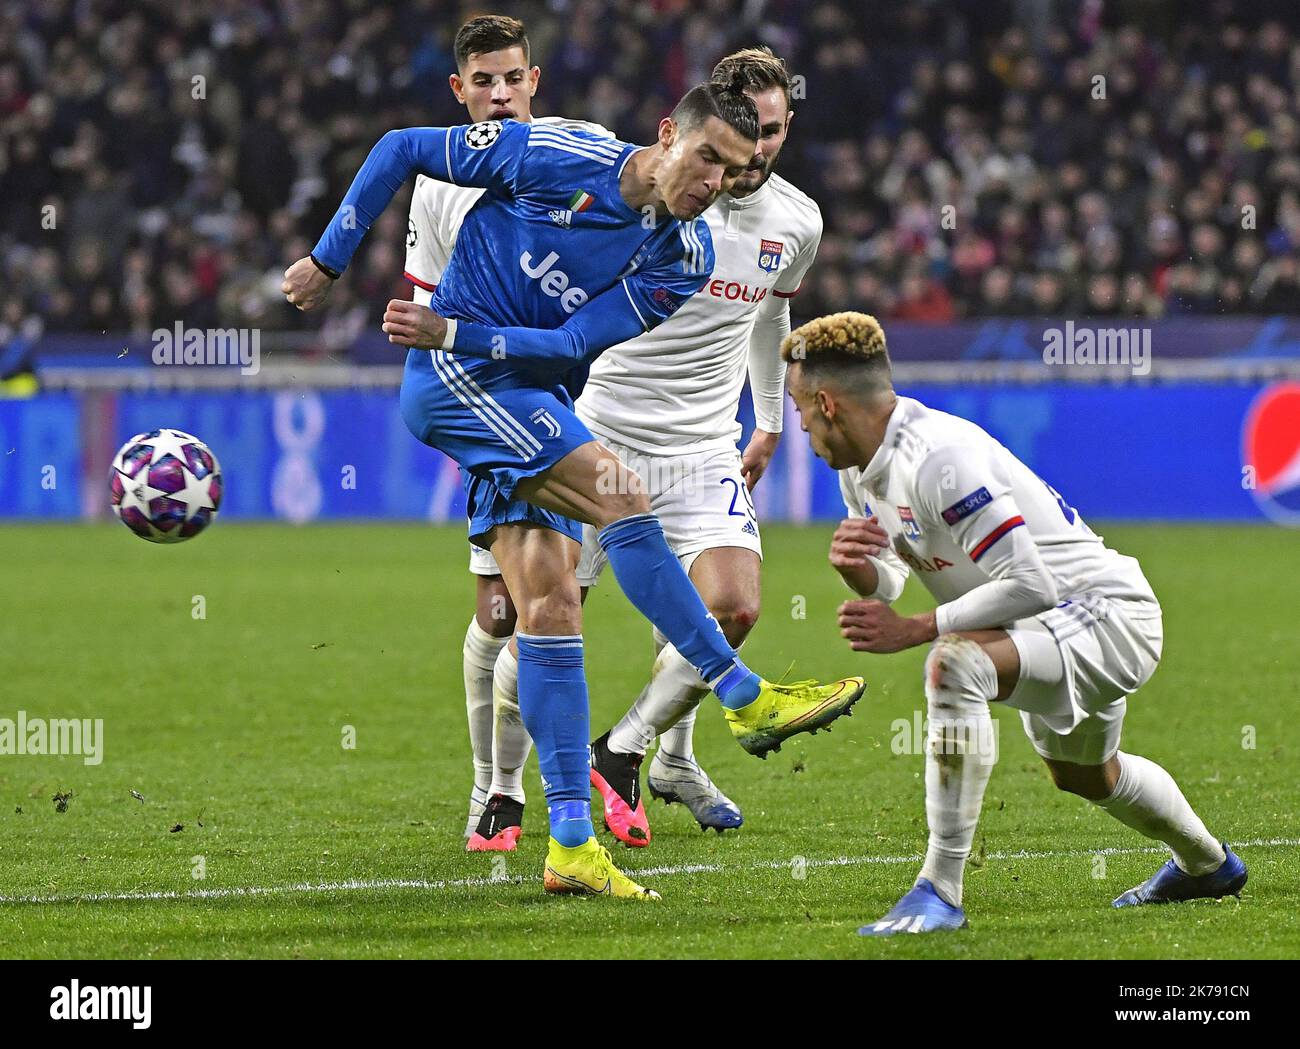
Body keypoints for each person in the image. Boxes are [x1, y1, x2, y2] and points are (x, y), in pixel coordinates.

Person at [282, 77, 865, 900]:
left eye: (733, 173)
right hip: (454, 378)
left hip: (516, 380)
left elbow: (566, 343)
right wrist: (328, 259)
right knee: (623, 496)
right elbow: (401, 149)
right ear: (667, 134)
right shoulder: (558, 152)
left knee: (549, 608)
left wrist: (462, 327)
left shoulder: (683, 258)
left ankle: (570, 844)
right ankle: (742, 693)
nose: (713, 184)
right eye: (705, 159)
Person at [780, 311, 1245, 934]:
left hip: (1107, 615)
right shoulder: (859, 468)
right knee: (1085, 776)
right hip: (1040, 630)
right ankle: (1207, 865)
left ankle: (939, 891)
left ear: (827, 402)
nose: (800, 423)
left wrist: (916, 628)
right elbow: (895, 572)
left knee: (954, 664)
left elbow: (1032, 582)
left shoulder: (939, 462)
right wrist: (858, 571)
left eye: (800, 408)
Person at [398, 15, 612, 846]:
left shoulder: (582, 148)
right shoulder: (439, 183)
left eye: (512, 78)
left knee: (551, 605)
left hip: (574, 400)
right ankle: (498, 786)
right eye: (482, 82)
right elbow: (423, 302)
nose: (498, 94)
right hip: (489, 401)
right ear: (459, 91)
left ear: (534, 81)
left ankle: (571, 786)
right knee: (501, 612)